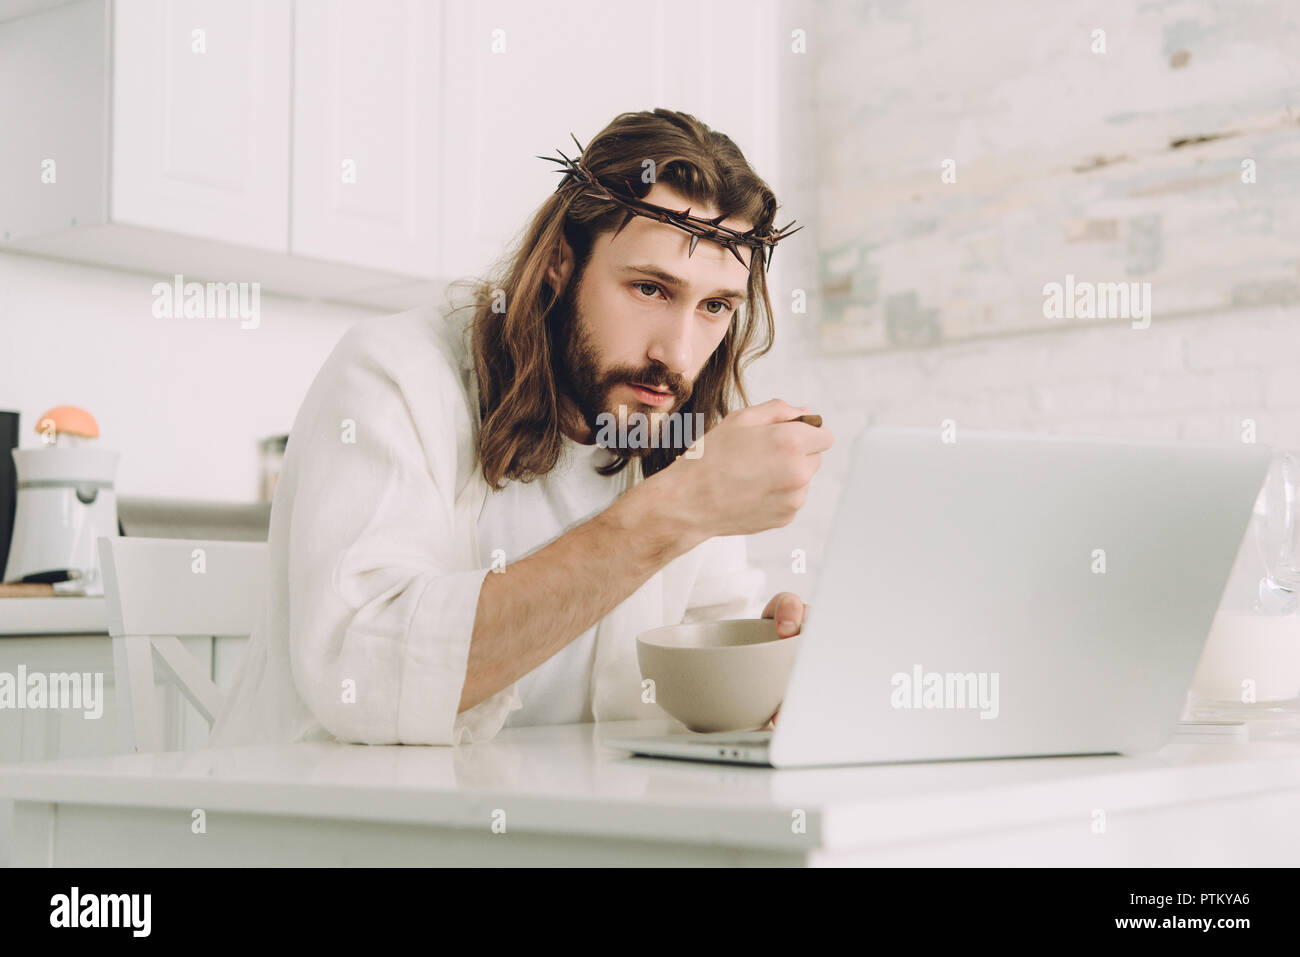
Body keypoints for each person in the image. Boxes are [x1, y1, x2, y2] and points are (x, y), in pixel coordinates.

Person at [209, 108, 833, 746]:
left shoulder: (682, 431)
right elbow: (363, 678)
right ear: (561, 261)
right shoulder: (392, 374)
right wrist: (674, 512)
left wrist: (767, 664)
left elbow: (700, 642)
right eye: (649, 289)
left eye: (715, 306)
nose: (677, 353)